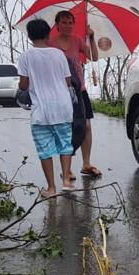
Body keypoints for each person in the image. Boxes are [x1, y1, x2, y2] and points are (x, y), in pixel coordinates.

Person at [18, 19, 77, 198]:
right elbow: (67, 81)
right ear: (48, 34)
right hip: (63, 107)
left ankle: (51, 188)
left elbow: (24, 84)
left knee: (45, 150)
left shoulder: (26, 56)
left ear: (29, 36)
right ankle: (66, 180)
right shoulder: (59, 54)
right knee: (65, 145)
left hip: (41, 111)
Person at [52, 10, 102, 179]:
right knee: (66, 128)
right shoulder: (51, 45)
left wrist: (92, 38)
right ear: (57, 25)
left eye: (70, 22)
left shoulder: (77, 41)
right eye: (64, 22)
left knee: (86, 126)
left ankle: (86, 163)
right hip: (61, 92)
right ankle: (66, 168)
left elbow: (94, 57)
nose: (68, 25)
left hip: (80, 91)